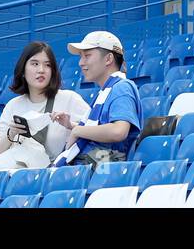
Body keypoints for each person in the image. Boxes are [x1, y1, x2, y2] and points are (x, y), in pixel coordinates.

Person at [0, 41, 91, 169]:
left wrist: (71, 126)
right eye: (35, 64)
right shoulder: (13, 105)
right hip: (20, 174)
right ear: (23, 69)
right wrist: (11, 133)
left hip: (56, 173)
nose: (41, 70)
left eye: (47, 65)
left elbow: (94, 131)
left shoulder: (69, 99)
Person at [50, 30, 142, 166]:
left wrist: (78, 130)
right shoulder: (107, 90)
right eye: (81, 57)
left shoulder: (121, 87)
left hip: (108, 164)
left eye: (87, 55)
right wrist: (72, 125)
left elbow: (118, 131)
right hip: (98, 161)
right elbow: (101, 128)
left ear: (108, 59)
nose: (81, 62)